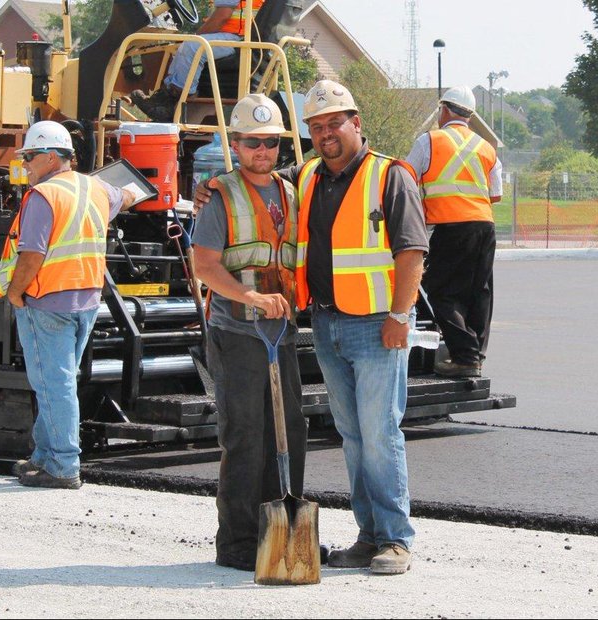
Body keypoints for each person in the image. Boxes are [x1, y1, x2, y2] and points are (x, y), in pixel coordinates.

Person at [194, 80, 427, 574]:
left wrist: (400, 316)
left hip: (372, 325)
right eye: (316, 127)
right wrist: (209, 186)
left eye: (333, 123)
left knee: (374, 433)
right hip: (310, 324)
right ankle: (349, 536)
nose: (325, 134)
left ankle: (392, 537)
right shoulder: (304, 179)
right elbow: (213, 255)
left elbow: (412, 252)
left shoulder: (386, 176)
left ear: (355, 123)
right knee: (340, 434)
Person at [0, 120, 134, 489]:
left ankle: (64, 465)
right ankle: (43, 457)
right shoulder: (94, 187)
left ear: (52, 157)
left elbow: (31, 256)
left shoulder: (43, 196)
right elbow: (125, 197)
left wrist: (16, 293)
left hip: (47, 301)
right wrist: (136, 187)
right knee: (59, 380)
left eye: (30, 157)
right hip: (85, 301)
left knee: (54, 383)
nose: (26, 165)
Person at [190, 94, 307, 572]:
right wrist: (251, 298)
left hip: (282, 331)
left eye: (272, 142)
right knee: (244, 436)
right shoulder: (219, 194)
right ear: (235, 145)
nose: (263, 150)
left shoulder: (291, 192)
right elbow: (205, 265)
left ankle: (284, 536)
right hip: (236, 333)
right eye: (253, 142)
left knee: (290, 433)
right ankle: (237, 542)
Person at [406, 86, 501, 378]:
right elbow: (495, 194)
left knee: (438, 290)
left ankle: (465, 353)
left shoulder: (429, 141)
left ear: (444, 111)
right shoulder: (486, 148)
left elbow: (406, 181)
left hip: (450, 227)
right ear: (469, 117)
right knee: (479, 293)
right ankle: (474, 358)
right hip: (484, 227)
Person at [132, 0, 262, 120]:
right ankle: (166, 95)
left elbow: (222, 16)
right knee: (180, 48)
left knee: (191, 47)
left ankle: (176, 100)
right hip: (241, 38)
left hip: (237, 38)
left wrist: (196, 36)